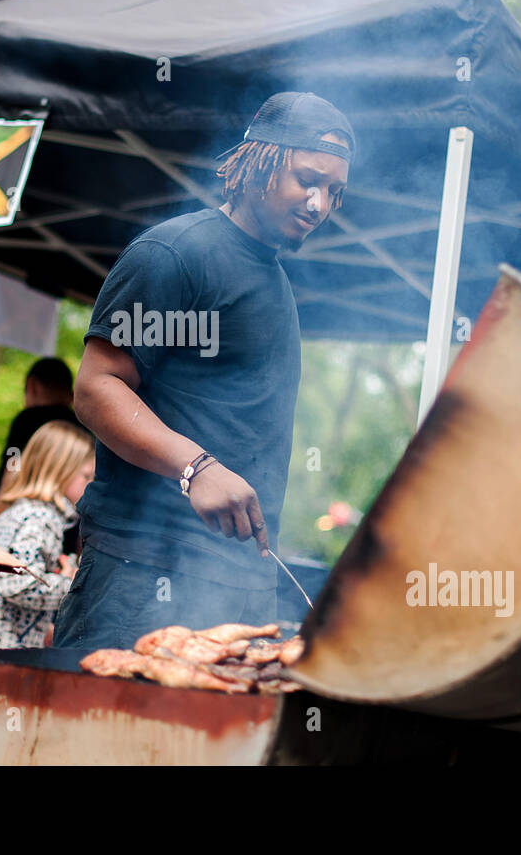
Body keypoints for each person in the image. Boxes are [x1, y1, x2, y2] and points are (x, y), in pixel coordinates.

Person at [52, 92, 352, 651]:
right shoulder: (176, 254)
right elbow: (96, 389)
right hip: (143, 572)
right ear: (260, 162)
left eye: (334, 191)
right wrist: (196, 467)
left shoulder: (277, 280)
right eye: (308, 179)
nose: (320, 203)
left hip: (240, 584)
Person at [0, 421, 93, 651]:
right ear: (59, 471)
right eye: (86, 476)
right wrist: (71, 584)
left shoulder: (18, 512)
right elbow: (18, 585)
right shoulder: (41, 518)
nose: (90, 486)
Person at [0, 357, 80, 521]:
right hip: (70, 522)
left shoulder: (26, 422)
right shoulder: (83, 429)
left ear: (32, 385)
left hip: (18, 520)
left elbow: (12, 468)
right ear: (71, 394)